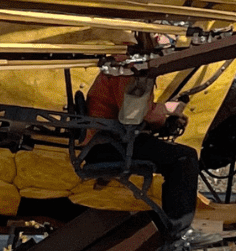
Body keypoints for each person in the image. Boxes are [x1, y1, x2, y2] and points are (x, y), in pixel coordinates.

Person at [83, 41, 198, 235]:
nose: (173, 42)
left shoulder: (125, 62)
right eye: (167, 37)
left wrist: (164, 115)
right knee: (184, 158)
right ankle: (176, 229)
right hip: (110, 146)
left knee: (177, 157)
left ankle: (173, 225)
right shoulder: (130, 66)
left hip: (107, 141)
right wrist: (169, 110)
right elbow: (135, 113)